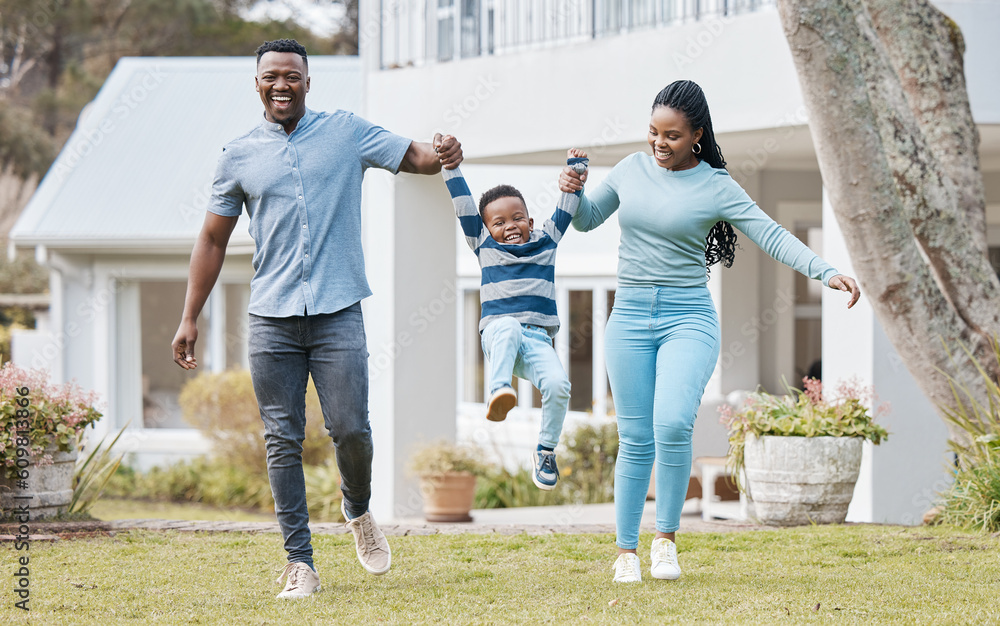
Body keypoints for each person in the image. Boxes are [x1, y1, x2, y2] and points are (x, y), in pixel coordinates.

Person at [170, 39, 463, 599]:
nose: (282, 84)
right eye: (271, 76)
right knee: (282, 440)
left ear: (309, 82)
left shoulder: (345, 132)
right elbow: (211, 238)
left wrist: (446, 149)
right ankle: (300, 563)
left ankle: (358, 511)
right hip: (271, 321)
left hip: (337, 313)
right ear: (257, 84)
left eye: (292, 76)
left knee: (351, 429)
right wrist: (190, 316)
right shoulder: (237, 155)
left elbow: (415, 157)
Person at [558, 80, 860, 584]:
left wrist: (824, 271)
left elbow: (772, 234)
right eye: (653, 131)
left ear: (696, 135)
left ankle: (666, 543)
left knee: (673, 424)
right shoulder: (631, 170)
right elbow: (587, 221)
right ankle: (625, 551)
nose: (659, 142)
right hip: (630, 317)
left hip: (687, 318)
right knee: (634, 436)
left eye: (672, 135)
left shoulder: (716, 186)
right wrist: (573, 189)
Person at [440, 146, 589, 490]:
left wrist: (577, 169)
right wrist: (450, 167)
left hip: (538, 340)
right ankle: (499, 390)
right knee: (506, 324)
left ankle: (546, 450)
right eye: (499, 222)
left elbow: (566, 205)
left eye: (517, 217)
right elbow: (462, 202)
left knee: (559, 385)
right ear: (486, 228)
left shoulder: (546, 241)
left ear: (531, 221)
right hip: (499, 337)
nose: (510, 226)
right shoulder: (483, 246)